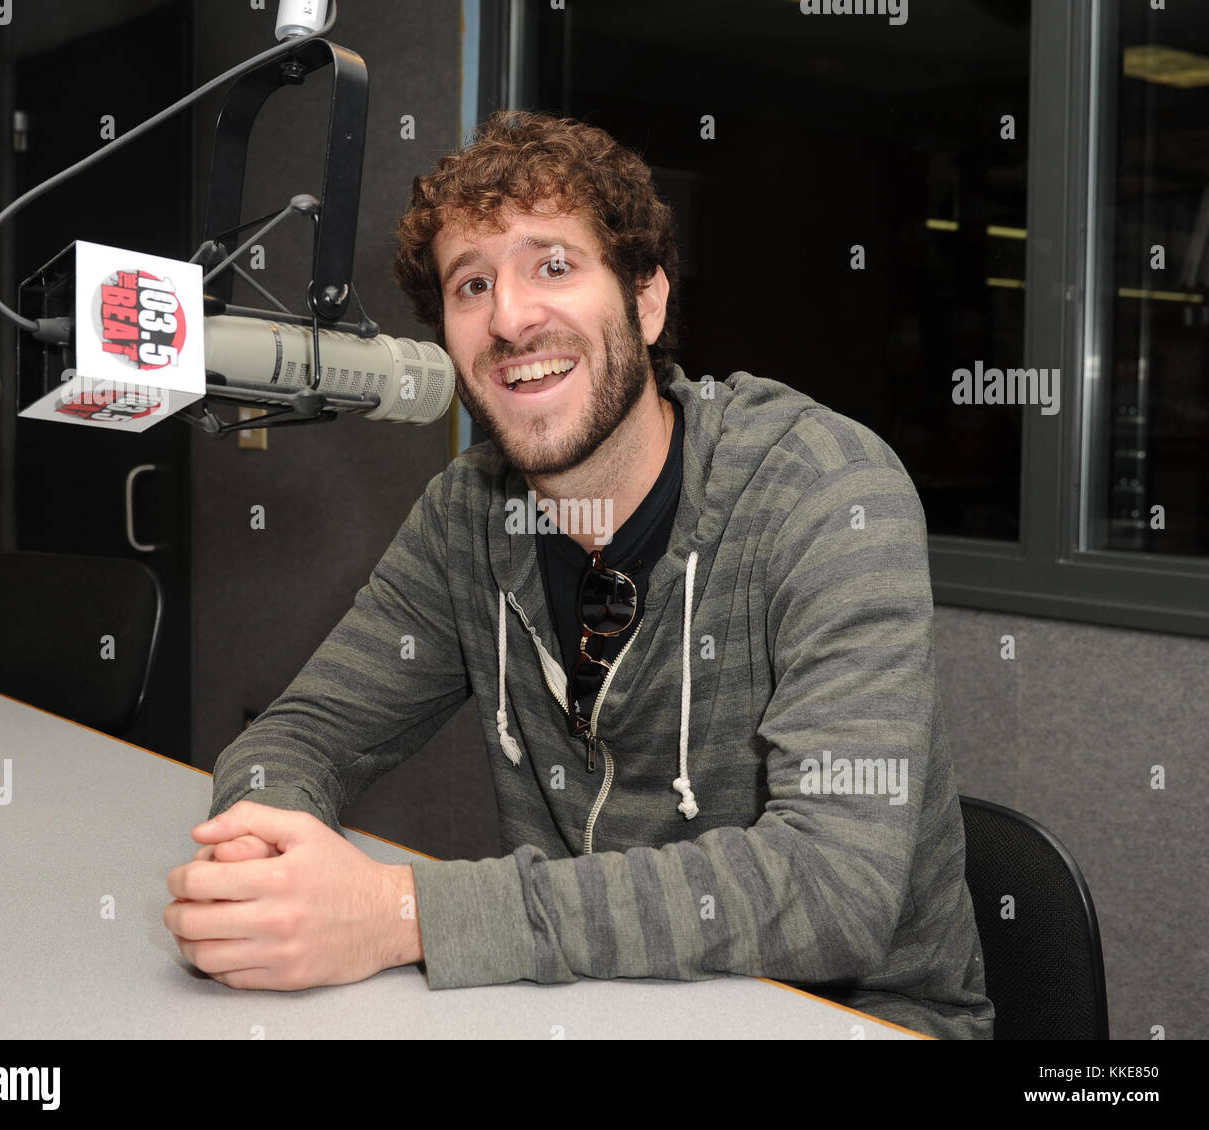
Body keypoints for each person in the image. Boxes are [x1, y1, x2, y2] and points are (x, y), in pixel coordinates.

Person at [164, 109, 994, 1040]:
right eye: (472, 284)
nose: (511, 317)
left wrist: (400, 915)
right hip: (596, 1009)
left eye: (552, 264)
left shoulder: (825, 492)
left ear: (646, 300)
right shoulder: (467, 517)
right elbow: (304, 732)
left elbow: (837, 889)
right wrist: (264, 855)